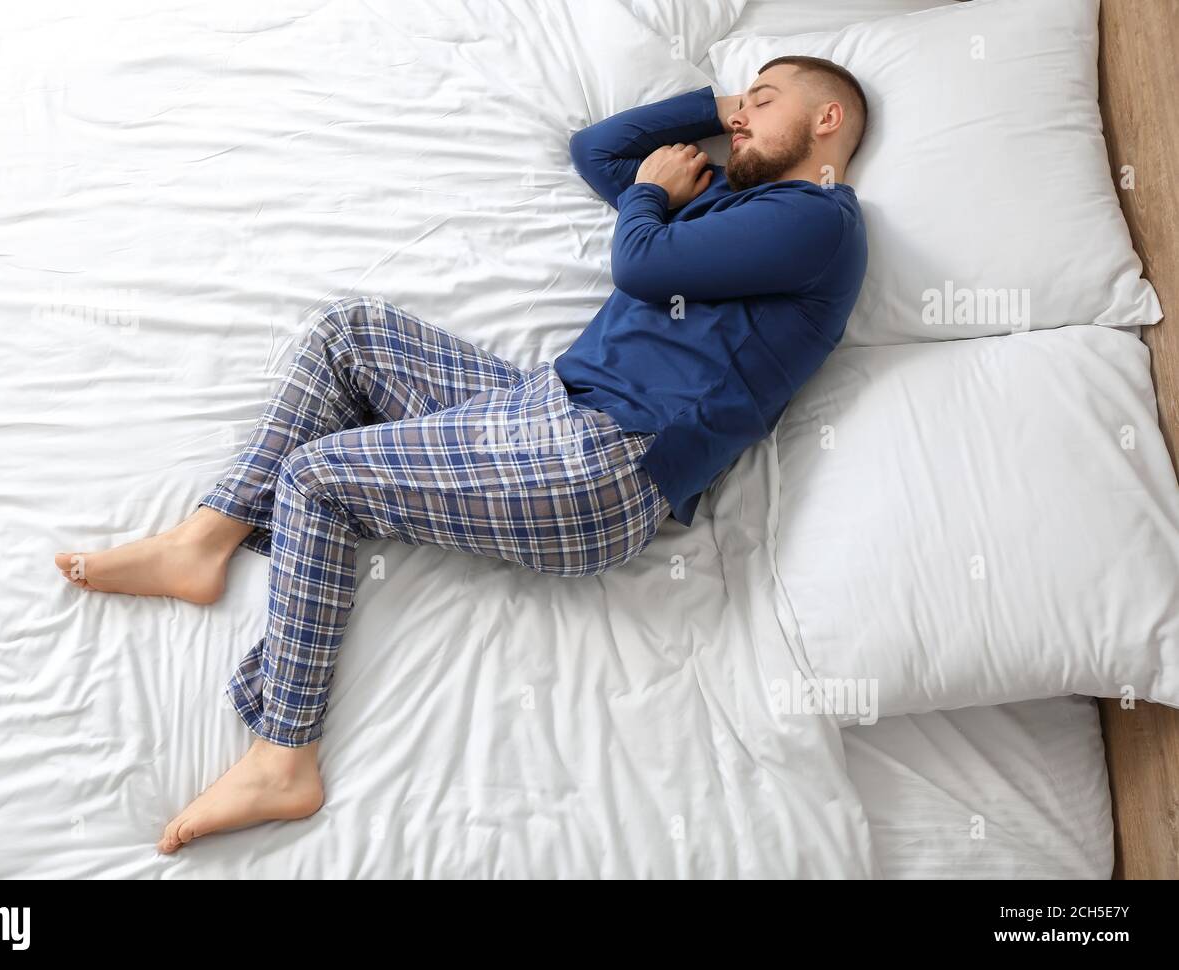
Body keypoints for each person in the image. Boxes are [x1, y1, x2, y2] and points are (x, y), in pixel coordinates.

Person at [54, 56, 869, 854]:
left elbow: (639, 263)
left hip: (608, 462)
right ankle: (207, 538)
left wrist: (655, 195)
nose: (742, 120)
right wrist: (715, 104)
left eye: (766, 101)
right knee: (353, 335)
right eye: (745, 103)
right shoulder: (722, 204)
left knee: (316, 480)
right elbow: (598, 152)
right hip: (547, 409)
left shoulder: (821, 221)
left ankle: (282, 757)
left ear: (825, 121)